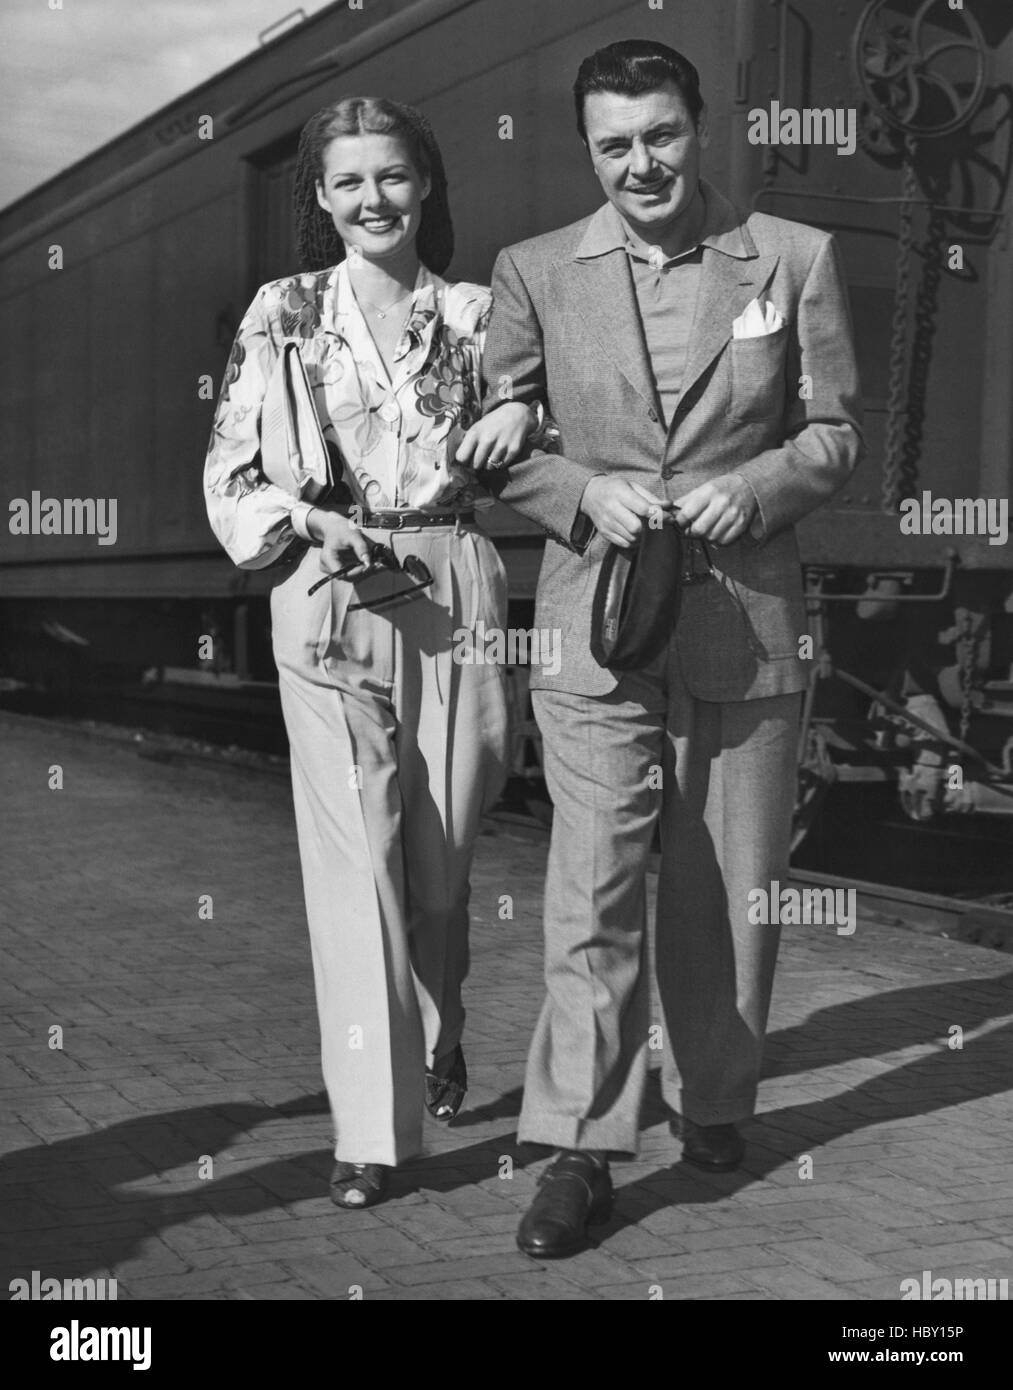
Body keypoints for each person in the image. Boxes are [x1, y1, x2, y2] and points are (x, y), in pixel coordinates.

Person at [472, 39, 864, 1257]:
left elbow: (834, 433)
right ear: (586, 150)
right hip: (596, 624)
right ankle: (580, 1147)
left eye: (659, 134)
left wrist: (754, 489)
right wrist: (577, 493)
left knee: (723, 887)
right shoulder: (533, 271)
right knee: (591, 884)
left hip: (741, 619)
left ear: (699, 128)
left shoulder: (791, 259)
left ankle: (713, 1098)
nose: (638, 163)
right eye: (612, 144)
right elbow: (497, 441)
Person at [204, 97, 543, 1209]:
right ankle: (372, 1125)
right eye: (347, 183)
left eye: (391, 177)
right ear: (319, 198)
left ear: (426, 183)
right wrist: (306, 522)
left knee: (438, 868)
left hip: (455, 587)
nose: (371, 201)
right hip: (328, 589)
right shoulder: (283, 312)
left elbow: (542, 432)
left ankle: (439, 1031)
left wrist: (521, 423)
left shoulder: (481, 312)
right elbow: (231, 475)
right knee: (356, 867)